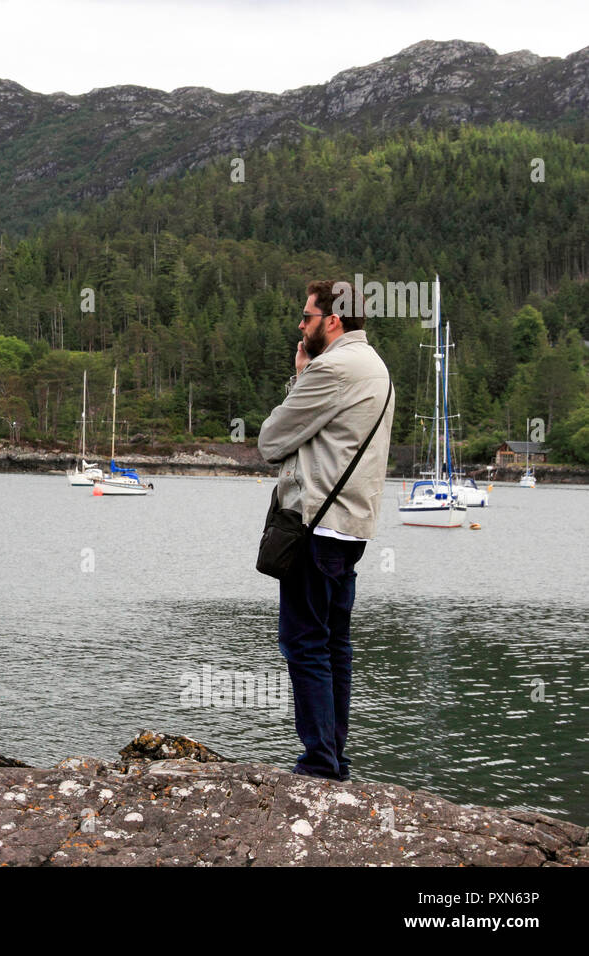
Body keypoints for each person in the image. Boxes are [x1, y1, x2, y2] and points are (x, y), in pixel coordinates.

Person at [257, 280, 394, 782]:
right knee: (335, 642)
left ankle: (319, 763)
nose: (301, 324)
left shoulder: (333, 368)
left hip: (317, 526)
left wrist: (301, 377)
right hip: (352, 527)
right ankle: (335, 758)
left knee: (304, 642)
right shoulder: (375, 366)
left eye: (308, 316)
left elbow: (271, 440)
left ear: (333, 321)